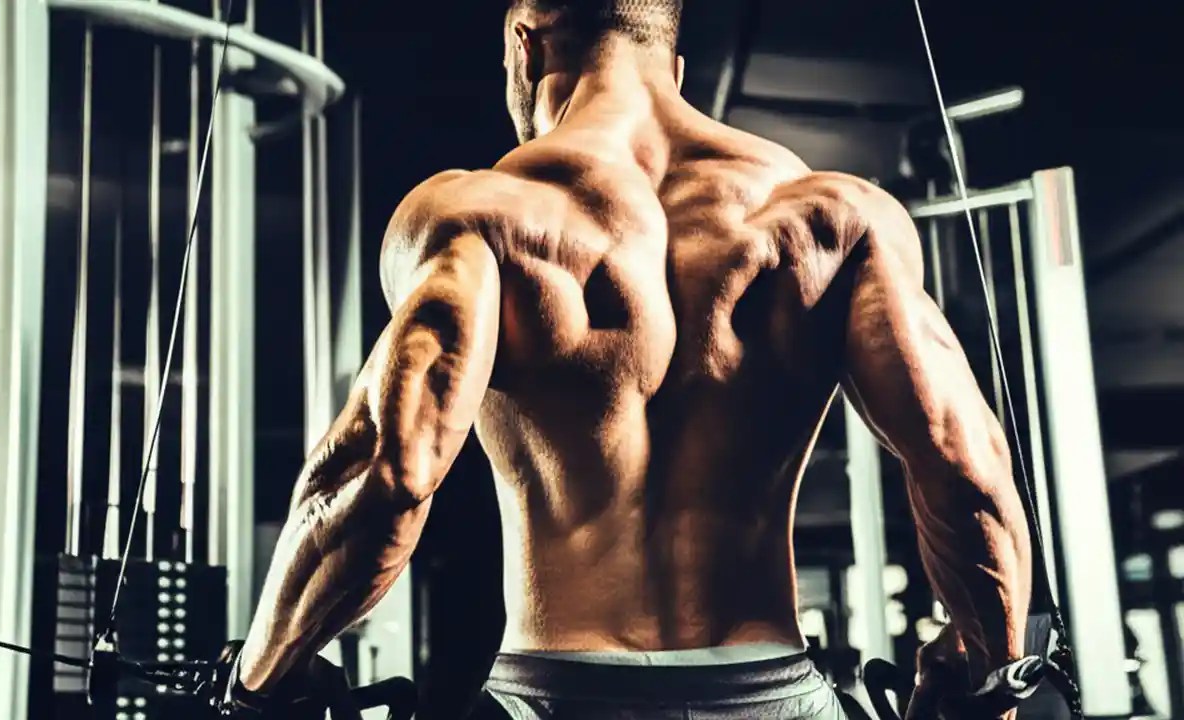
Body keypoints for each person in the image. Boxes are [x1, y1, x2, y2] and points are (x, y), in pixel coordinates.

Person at [218, 1, 1033, 718]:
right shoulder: (832, 217)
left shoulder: (480, 214)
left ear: (523, 46)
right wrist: (989, 684)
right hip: (773, 688)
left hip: (556, 692)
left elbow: (384, 473)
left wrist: (257, 686)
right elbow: (966, 465)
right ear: (673, 66)